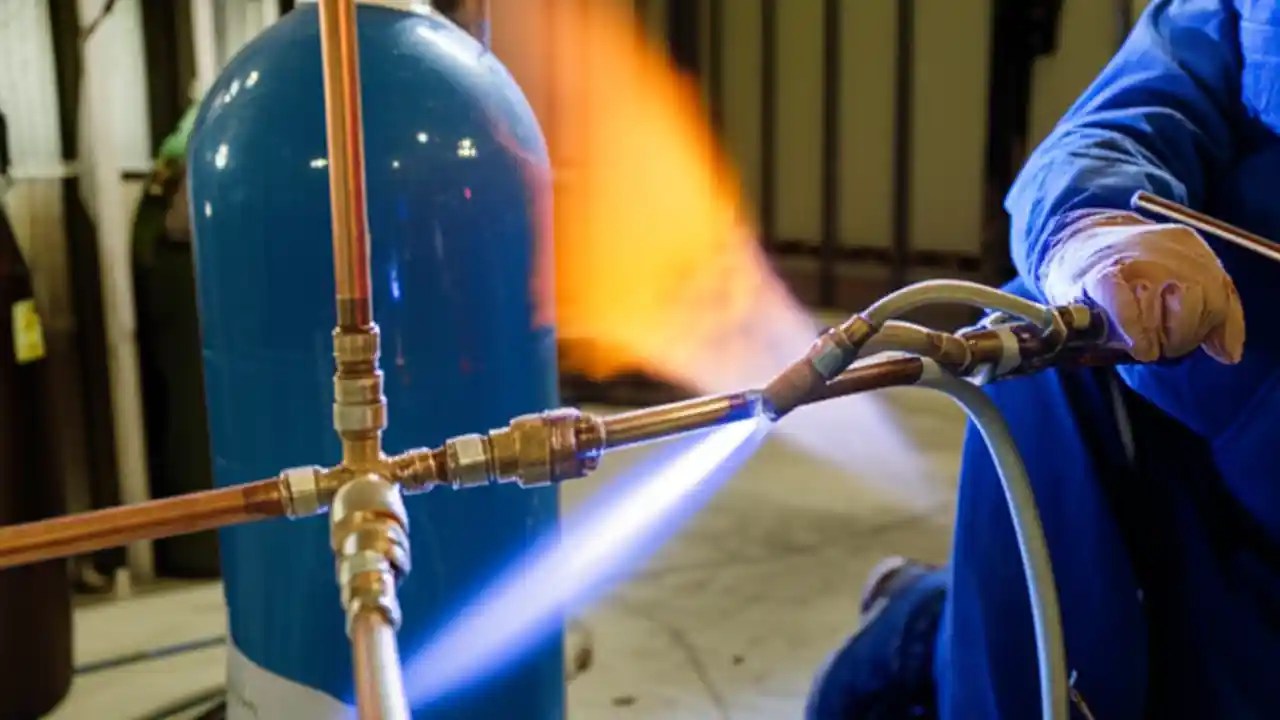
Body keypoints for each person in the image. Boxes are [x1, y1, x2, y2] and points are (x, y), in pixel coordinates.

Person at [807, 1, 1280, 717]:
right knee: (1042, 340)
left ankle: (935, 613)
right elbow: (1135, 107)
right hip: (1204, 433)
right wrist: (1094, 230)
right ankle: (937, 633)